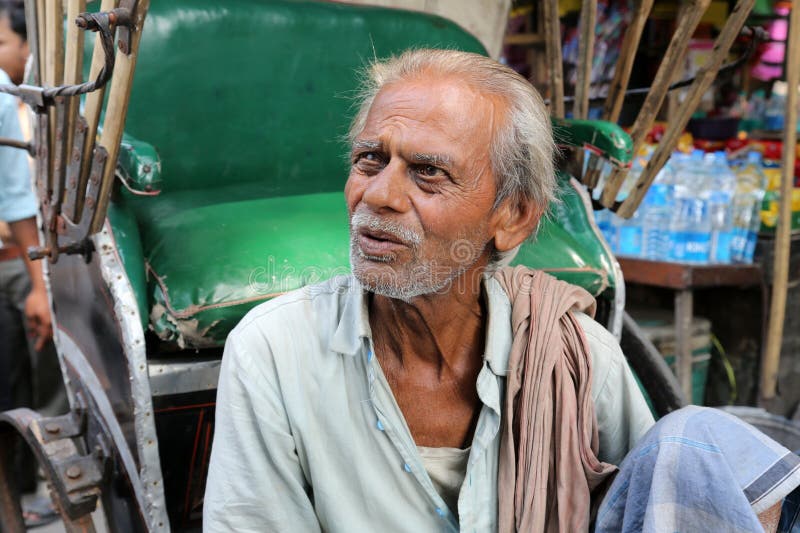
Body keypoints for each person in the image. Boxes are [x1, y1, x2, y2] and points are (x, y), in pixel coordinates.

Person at [204, 49, 800, 532]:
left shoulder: (572, 353)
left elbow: (657, 509)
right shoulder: (276, 350)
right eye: (368, 159)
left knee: (697, 444)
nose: (379, 196)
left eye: (427, 172)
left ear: (512, 216)